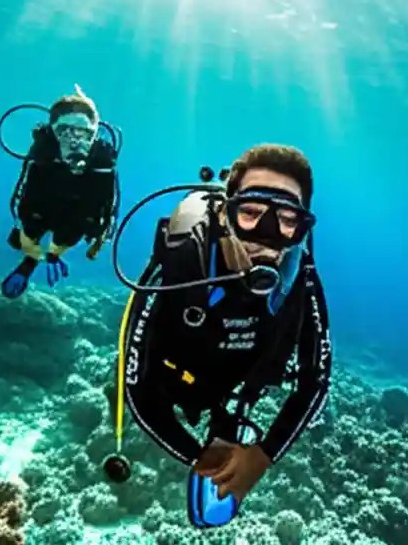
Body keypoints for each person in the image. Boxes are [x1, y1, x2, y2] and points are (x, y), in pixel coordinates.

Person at [103, 144, 331, 529]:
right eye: (251, 213)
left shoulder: (300, 278)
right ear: (226, 214)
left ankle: (228, 420)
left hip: (240, 381)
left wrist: (262, 456)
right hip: (176, 374)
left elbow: (316, 379)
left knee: (235, 409)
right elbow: (136, 384)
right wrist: (196, 456)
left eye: (287, 219)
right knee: (119, 392)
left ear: (300, 228)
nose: (268, 236)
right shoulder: (183, 261)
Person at [0, 87, 120, 299]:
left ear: (95, 132)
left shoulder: (103, 164)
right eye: (65, 131)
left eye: (84, 132)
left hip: (78, 211)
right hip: (46, 201)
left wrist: (98, 240)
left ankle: (49, 256)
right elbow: (23, 204)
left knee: (76, 229)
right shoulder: (42, 158)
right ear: (53, 132)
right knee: (30, 226)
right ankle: (31, 261)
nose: (74, 141)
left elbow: (106, 211)